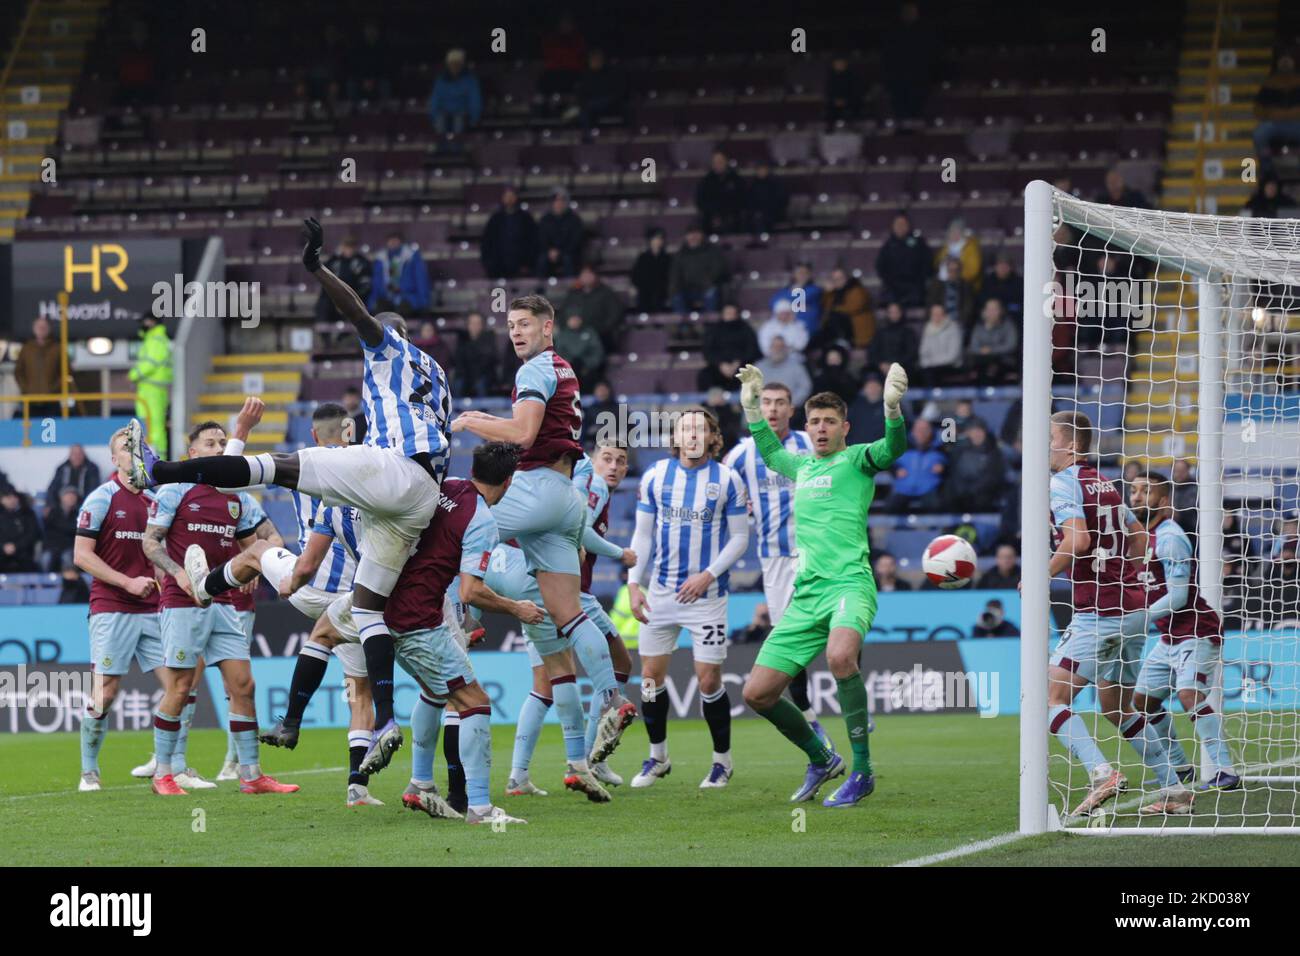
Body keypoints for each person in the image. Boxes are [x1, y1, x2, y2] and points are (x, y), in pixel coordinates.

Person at [128, 217, 454, 777]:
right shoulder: (438, 374)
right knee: (369, 608)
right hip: (419, 501)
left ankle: (161, 471)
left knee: (271, 469)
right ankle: (386, 722)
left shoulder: (387, 348)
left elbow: (356, 313)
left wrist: (317, 269)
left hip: (391, 480)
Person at [449, 293, 634, 802]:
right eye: (510, 324)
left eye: (525, 323)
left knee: (452, 521)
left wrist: (471, 420)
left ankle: (463, 616)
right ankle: (613, 699)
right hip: (563, 496)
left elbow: (524, 433)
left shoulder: (535, 369)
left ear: (548, 327)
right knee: (570, 615)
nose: (516, 332)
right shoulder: (563, 368)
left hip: (531, 490)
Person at [737, 362, 909, 807]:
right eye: (813, 421)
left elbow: (892, 450)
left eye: (829, 421)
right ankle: (820, 758)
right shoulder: (802, 468)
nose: (820, 428)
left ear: (845, 427)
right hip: (806, 594)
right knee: (757, 694)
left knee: (839, 656)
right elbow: (773, 455)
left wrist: (893, 410)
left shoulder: (857, 459)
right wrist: (754, 411)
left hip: (850, 584)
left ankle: (863, 771)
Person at [196, 402, 378, 807]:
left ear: (314, 436)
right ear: (351, 433)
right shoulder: (370, 467)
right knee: (359, 693)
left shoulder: (303, 463)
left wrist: (241, 427)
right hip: (356, 599)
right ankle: (356, 787)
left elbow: (226, 484)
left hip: (303, 587)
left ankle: (205, 586)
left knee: (259, 550)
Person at [140, 419, 294, 796]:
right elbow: (150, 542)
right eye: (210, 443)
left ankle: (251, 775)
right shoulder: (175, 489)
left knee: (244, 685)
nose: (218, 447)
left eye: (223, 442)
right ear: (192, 453)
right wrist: (176, 573)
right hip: (182, 602)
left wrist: (257, 563)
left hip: (223, 599)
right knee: (180, 686)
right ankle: (163, 773)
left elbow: (255, 541)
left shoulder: (236, 496)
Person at [627, 407, 750, 789]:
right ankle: (658, 757)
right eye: (686, 429)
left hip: (708, 597)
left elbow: (741, 537)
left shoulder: (728, 480)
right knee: (649, 679)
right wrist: (634, 582)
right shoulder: (655, 477)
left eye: (700, 429)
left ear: (713, 436)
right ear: (676, 438)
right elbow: (643, 536)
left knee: (708, 680)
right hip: (661, 593)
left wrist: (708, 574)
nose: (693, 435)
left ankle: (722, 763)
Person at [507, 442, 639, 795]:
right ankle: (589, 758)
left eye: (621, 461)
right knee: (618, 659)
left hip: (531, 581)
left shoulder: (566, 485)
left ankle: (520, 775)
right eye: (606, 458)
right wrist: (620, 552)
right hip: (565, 590)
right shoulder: (588, 485)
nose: (613, 466)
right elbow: (580, 534)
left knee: (545, 682)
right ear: (590, 461)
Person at [1045, 410, 1158, 817]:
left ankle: (1101, 773)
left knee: (1050, 697)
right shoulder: (1105, 483)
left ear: (1071, 445)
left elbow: (1078, 539)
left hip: (1100, 611)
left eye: (1051, 436)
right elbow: (1140, 535)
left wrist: (1041, 574)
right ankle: (1176, 786)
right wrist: (1129, 575)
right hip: (1133, 608)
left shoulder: (1064, 481)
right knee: (1116, 707)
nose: (1045, 444)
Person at [724, 382, 836, 749]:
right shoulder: (742, 454)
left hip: (817, 551)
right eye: (765, 402)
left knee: (841, 621)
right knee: (790, 642)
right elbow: (728, 496)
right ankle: (809, 716)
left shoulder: (812, 443)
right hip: (774, 558)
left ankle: (854, 699)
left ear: (792, 409)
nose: (772, 409)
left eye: (780, 403)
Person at [1129, 471, 1239, 812]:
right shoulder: (1140, 538)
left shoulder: (1170, 537)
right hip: (1169, 636)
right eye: (1133, 491)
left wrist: (1140, 617)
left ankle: (1224, 769)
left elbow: (1177, 597)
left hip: (1196, 629)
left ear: (1163, 501)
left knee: (1189, 694)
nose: (1135, 497)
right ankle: (1180, 765)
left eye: (1144, 491)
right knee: (1142, 702)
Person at [72, 425, 165, 792]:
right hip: (112, 607)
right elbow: (81, 556)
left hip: (155, 608)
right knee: (106, 692)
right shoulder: (101, 498)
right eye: (127, 447)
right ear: (114, 459)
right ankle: (89, 771)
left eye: (139, 446)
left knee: (179, 685)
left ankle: (167, 761)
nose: (134, 450)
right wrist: (127, 582)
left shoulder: (157, 500)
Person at [554, 266, 626, 351]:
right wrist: (567, 323)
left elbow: (615, 316)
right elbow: (563, 313)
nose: (586, 277)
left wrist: (596, 329)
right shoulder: (573, 294)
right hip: (573, 335)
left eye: (589, 274)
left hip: (598, 335)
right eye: (583, 274)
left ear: (595, 276)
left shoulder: (607, 293)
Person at [129, 315, 172, 456]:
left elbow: (152, 363)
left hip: (155, 390)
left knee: (156, 427)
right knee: (146, 426)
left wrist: (133, 375)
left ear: (152, 322)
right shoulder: (151, 339)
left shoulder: (157, 339)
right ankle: (150, 458)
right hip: (147, 388)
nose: (143, 324)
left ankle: (160, 460)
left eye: (145, 321)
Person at [1252, 53, 1300, 177]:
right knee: (1259, 134)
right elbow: (1257, 108)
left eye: (1287, 60)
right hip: (1274, 124)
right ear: (1277, 64)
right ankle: (1267, 169)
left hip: (1297, 123)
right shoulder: (1269, 83)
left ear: (1293, 63)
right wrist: (1269, 115)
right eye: (1282, 60)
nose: (1285, 63)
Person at [887, 417, 945, 513]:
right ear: (913, 431)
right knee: (890, 510)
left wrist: (942, 467)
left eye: (925, 430)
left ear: (931, 431)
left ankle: (935, 527)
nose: (921, 433)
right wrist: (895, 470)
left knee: (937, 508)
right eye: (918, 430)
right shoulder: (901, 445)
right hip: (904, 488)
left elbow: (947, 463)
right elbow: (889, 462)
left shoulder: (939, 447)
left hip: (929, 488)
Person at [698, 303, 762, 391]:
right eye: (728, 313)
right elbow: (708, 351)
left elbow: (752, 349)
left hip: (742, 366)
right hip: (719, 367)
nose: (730, 316)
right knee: (705, 375)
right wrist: (721, 364)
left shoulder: (746, 329)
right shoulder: (714, 330)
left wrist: (738, 362)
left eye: (733, 313)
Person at [669, 223, 729, 313]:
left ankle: (709, 325)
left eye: (696, 234)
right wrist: (674, 290)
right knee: (676, 297)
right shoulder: (680, 254)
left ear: (701, 235)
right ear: (686, 236)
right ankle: (684, 326)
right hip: (687, 289)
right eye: (690, 234)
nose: (693, 237)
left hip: (707, 287)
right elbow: (675, 276)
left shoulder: (712, 251)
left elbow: (718, 270)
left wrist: (707, 283)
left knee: (711, 293)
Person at [875, 212, 932, 307]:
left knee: (918, 300)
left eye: (903, 224)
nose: (900, 227)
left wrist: (920, 280)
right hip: (893, 286)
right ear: (893, 226)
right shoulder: (888, 245)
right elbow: (880, 267)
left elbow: (927, 264)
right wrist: (889, 282)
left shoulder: (918, 243)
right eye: (897, 224)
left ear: (908, 226)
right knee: (887, 302)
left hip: (915, 286)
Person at [481, 186, 538, 279]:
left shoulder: (526, 218)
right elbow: (487, 242)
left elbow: (533, 241)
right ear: (502, 198)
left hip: (521, 264)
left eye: (512, 196)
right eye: (507, 196)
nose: (509, 199)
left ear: (516, 197)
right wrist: (489, 264)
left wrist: (528, 263)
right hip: (498, 266)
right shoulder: (495, 219)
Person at [368, 232, 431, 315]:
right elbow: (376, 284)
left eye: (395, 240)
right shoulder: (381, 259)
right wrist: (371, 303)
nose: (393, 243)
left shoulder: (411, 257)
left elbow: (420, 280)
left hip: (407, 297)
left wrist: (423, 302)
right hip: (387, 297)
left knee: (403, 310)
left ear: (401, 242)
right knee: (380, 311)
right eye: (391, 241)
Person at [14, 316, 64, 419]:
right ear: (33, 329)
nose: (41, 329)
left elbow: (66, 372)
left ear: (49, 329)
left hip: (52, 400)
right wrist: (26, 389)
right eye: (39, 327)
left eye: (44, 327)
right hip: (31, 400)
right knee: (30, 430)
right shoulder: (27, 349)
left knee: (54, 430)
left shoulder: (57, 349)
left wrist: (55, 388)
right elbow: (18, 371)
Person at [315, 235, 371, 324]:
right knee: (323, 305)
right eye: (346, 247)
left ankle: (347, 335)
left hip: (354, 297)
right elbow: (325, 279)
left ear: (355, 248)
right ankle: (324, 334)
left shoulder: (362, 262)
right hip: (334, 297)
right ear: (342, 247)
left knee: (357, 309)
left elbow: (365, 285)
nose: (348, 250)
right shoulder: (334, 261)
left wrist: (352, 297)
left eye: (351, 247)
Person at [570, 48, 629, 131]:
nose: (595, 62)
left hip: (610, 104)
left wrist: (609, 100)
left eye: (598, 59)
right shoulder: (585, 75)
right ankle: (586, 134)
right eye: (593, 59)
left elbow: (619, 91)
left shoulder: (611, 73)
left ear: (602, 60)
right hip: (590, 105)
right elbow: (580, 92)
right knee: (581, 109)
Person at [428, 48, 482, 136]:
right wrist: (433, 116)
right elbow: (435, 100)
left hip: (461, 113)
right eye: (452, 64)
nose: (454, 66)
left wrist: (474, 118)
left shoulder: (470, 80)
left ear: (462, 65)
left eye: (457, 64)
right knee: (439, 122)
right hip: (443, 113)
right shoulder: (441, 80)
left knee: (459, 122)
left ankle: (459, 147)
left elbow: (475, 101)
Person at [818, 267, 874, 348]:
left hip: (856, 329)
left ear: (846, 278)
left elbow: (852, 308)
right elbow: (826, 307)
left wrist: (836, 309)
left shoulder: (856, 289)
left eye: (840, 278)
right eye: (835, 279)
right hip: (837, 329)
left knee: (835, 316)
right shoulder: (833, 293)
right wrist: (828, 292)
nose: (838, 281)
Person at [968, 298, 1019, 384]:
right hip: (982, 362)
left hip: (1004, 361)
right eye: (989, 309)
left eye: (994, 309)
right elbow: (973, 346)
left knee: (993, 368)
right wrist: (988, 327)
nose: (991, 312)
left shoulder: (1008, 325)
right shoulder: (979, 327)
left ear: (1001, 311)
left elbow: (1011, 345)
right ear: (984, 311)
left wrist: (991, 350)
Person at [536, 189, 585, 278]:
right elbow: (541, 238)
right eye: (556, 201)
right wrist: (549, 251)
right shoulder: (545, 220)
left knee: (569, 259)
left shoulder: (574, 220)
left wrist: (560, 251)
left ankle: (571, 288)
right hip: (549, 253)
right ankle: (540, 289)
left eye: (562, 200)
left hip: (568, 252)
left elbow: (576, 240)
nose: (559, 203)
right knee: (542, 260)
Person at [696, 149, 746, 234]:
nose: (718, 164)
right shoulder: (705, 182)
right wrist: (713, 215)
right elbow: (700, 202)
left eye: (720, 161)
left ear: (726, 161)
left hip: (734, 220)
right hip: (711, 222)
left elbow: (743, 200)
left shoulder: (737, 180)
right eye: (715, 162)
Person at [755, 337, 811, 408]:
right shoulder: (759, 366)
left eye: (780, 347)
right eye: (774, 346)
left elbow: (805, 387)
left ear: (786, 349)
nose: (777, 349)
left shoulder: (796, 366)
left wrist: (791, 403)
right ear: (770, 348)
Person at [453, 311, 500, 398]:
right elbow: (458, 360)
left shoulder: (488, 339)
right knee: (458, 384)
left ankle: (483, 409)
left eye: (478, 323)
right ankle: (456, 410)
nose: (475, 326)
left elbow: (490, 360)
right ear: (468, 325)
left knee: (480, 384)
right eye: (472, 323)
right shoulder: (462, 340)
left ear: (482, 325)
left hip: (483, 374)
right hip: (465, 374)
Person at [770, 263, 823, 338]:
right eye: (800, 273)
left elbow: (804, 297)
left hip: (808, 330)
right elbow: (773, 303)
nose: (802, 275)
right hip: (787, 329)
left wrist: (787, 304)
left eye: (805, 273)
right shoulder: (786, 290)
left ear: (810, 275)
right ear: (794, 275)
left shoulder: (815, 290)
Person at [917, 304, 964, 387]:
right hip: (931, 366)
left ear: (944, 315)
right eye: (934, 314)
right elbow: (923, 352)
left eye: (939, 314)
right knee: (918, 371)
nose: (937, 317)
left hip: (951, 365)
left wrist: (933, 363)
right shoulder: (928, 328)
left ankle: (935, 398)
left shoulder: (953, 328)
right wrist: (928, 363)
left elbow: (953, 356)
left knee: (931, 372)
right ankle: (928, 399)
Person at [868, 301, 918, 377]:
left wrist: (895, 365)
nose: (893, 314)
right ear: (887, 314)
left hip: (902, 367)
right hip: (881, 368)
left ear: (901, 313)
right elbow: (872, 352)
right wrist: (880, 364)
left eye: (896, 312)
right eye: (891, 312)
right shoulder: (880, 332)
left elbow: (911, 354)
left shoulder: (908, 332)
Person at [553, 312, 605, 384]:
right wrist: (570, 364)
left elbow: (597, 352)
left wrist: (586, 364)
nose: (575, 322)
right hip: (567, 370)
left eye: (577, 319)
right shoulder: (562, 335)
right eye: (572, 319)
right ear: (567, 320)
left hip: (588, 369)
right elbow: (558, 354)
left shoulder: (590, 332)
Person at [46, 444, 101, 510]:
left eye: (79, 454)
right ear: (70, 455)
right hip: (62, 504)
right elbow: (52, 488)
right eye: (74, 454)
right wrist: (51, 505)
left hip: (83, 504)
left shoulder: (92, 469)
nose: (77, 457)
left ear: (84, 455)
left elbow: (93, 489)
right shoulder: (62, 468)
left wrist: (77, 499)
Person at [630, 227, 672, 313]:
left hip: (661, 288)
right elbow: (636, 274)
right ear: (650, 240)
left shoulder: (668, 258)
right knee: (642, 296)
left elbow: (670, 276)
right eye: (655, 238)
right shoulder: (643, 257)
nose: (658, 241)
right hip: (645, 288)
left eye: (660, 238)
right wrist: (634, 286)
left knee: (657, 296)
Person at [933, 218, 982, 290]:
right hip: (944, 282)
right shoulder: (947, 246)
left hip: (964, 283)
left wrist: (954, 277)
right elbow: (937, 263)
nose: (954, 234)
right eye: (952, 232)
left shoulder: (971, 247)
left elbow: (973, 271)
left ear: (962, 233)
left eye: (957, 232)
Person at [42, 486, 81, 572]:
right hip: (53, 546)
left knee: (67, 557)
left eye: (73, 496)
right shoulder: (52, 512)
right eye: (68, 495)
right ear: (61, 497)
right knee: (46, 558)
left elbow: (76, 530)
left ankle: (70, 584)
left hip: (70, 547)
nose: (71, 498)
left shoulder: (80, 513)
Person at [0, 489, 38, 573]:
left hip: (23, 551)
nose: (12, 500)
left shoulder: (28, 513)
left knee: (27, 561)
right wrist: (3, 547)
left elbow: (32, 534)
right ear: (2, 500)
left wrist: (16, 546)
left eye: (14, 497)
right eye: (8, 497)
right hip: (2, 551)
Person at [745, 162, 789, 234]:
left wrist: (771, 210)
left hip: (774, 213)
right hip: (758, 214)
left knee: (763, 220)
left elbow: (782, 200)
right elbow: (749, 202)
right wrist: (755, 212)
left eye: (763, 169)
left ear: (767, 170)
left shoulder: (776, 183)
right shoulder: (752, 185)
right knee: (755, 220)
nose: (761, 172)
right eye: (759, 170)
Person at [978, 253, 1022, 321]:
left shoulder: (1019, 282)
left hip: (1014, 319)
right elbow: (982, 302)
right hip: (992, 320)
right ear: (995, 267)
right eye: (1000, 264)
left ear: (1011, 267)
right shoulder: (988, 282)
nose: (1002, 267)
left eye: (1006, 264)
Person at [847, 374, 886, 446]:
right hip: (857, 449)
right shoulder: (856, 406)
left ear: (881, 388)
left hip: (881, 450)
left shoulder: (890, 406)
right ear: (864, 389)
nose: (872, 389)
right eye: (869, 387)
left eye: (875, 386)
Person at [825, 55, 863, 125]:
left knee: (852, 110)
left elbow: (855, 91)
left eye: (841, 64)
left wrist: (845, 101)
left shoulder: (852, 76)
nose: (839, 66)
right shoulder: (831, 77)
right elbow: (828, 92)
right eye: (837, 64)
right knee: (829, 110)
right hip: (834, 103)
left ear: (845, 64)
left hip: (849, 102)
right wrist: (835, 101)